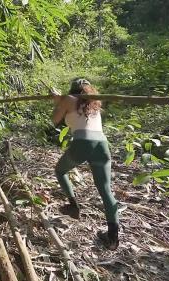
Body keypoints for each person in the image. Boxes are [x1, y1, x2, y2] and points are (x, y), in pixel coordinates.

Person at [51, 78, 119, 250]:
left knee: (60, 171)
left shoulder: (68, 99)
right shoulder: (95, 105)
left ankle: (73, 206)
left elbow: (55, 120)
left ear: (72, 89)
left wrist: (58, 102)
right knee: (105, 190)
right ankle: (112, 237)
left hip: (82, 143)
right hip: (102, 145)